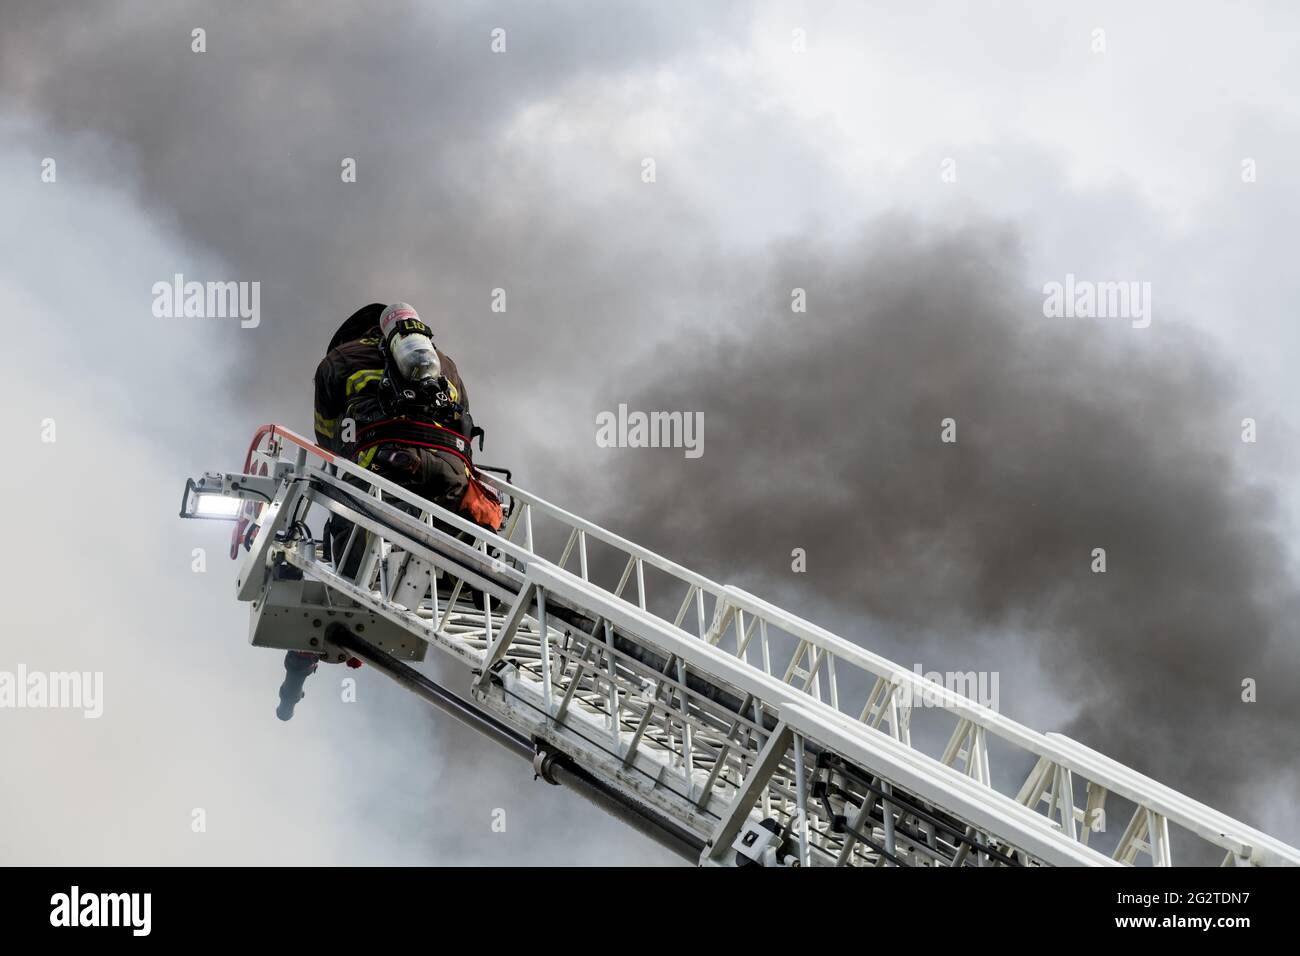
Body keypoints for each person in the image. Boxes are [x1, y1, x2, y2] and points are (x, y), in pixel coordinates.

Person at [313, 302, 502, 573]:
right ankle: (454, 575)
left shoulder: (339, 359)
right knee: (451, 522)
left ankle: (360, 574)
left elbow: (326, 436)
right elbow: (464, 421)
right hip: (451, 468)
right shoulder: (444, 362)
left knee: (349, 512)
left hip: (386, 462)